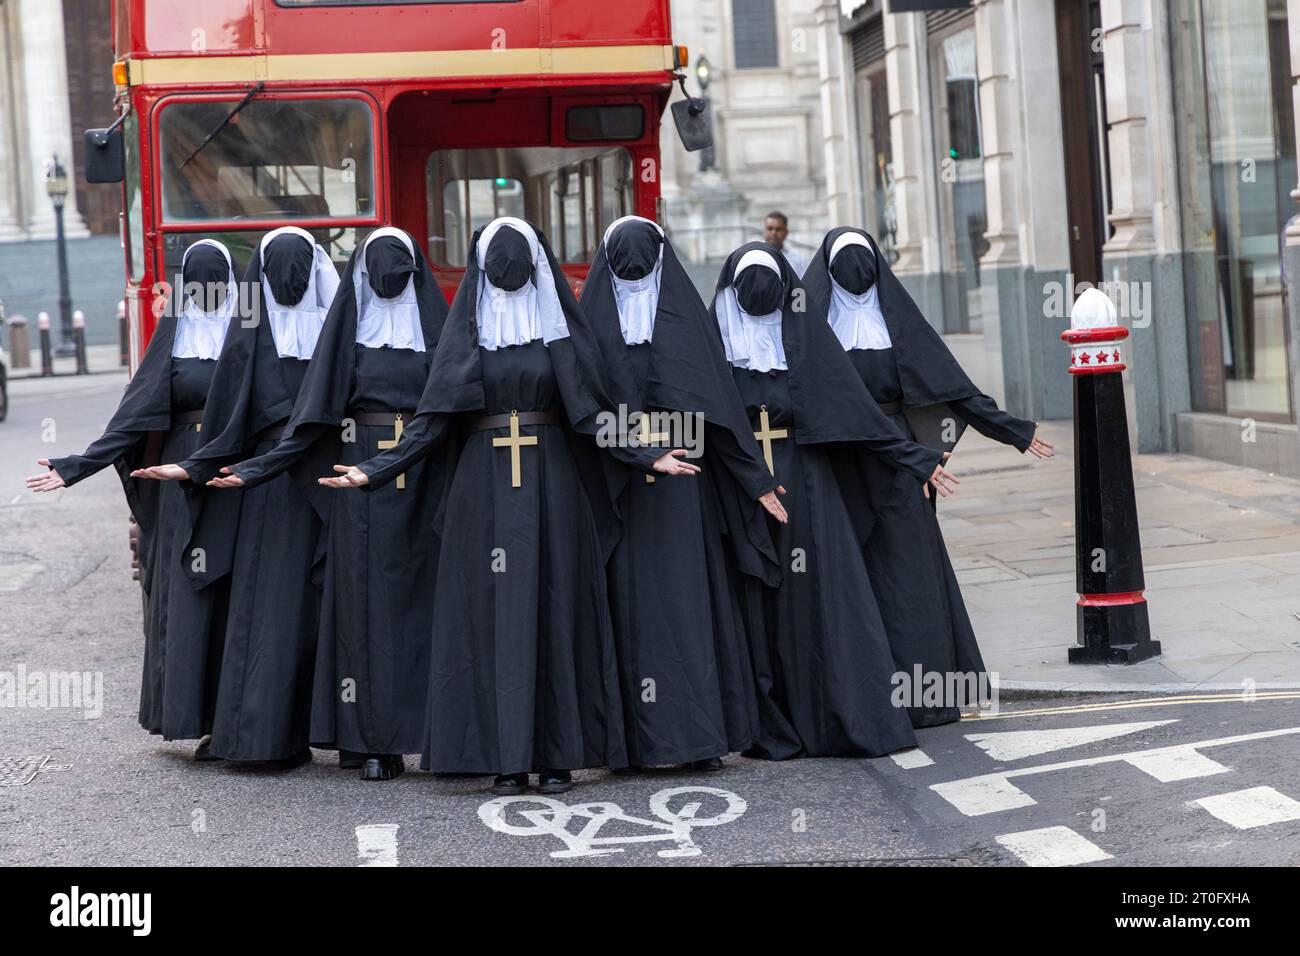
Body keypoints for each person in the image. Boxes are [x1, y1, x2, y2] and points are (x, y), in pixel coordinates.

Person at [321, 217, 697, 796]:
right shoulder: (466, 334)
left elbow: (592, 415)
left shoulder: (558, 334)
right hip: (482, 495)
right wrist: (373, 470)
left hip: (554, 491)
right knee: (489, 621)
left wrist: (649, 456)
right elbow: (430, 424)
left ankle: (556, 756)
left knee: (557, 614)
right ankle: (503, 756)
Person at [202, 227, 452, 781]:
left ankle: (438, 734)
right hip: (356, 480)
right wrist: (251, 470)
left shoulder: (439, 331)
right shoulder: (349, 334)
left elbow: (455, 408)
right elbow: (309, 423)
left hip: (424, 477)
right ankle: (370, 743)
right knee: (362, 612)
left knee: (427, 608)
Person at [710, 242, 959, 759]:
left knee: (816, 601)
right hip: (740, 489)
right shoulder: (714, 347)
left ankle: (830, 716)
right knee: (755, 604)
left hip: (806, 488)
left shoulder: (806, 344)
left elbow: (857, 418)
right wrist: (753, 477)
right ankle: (766, 721)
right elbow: (709, 424)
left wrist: (915, 457)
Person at [803, 227, 1054, 727]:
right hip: (839, 462)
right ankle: (863, 698)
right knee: (850, 580)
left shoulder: (897, 319)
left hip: (901, 465)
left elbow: (953, 388)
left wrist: (1013, 431)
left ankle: (924, 697)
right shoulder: (812, 326)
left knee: (909, 578)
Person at [580, 215, 788, 772]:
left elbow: (719, 411)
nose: (632, 281)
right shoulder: (590, 325)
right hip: (620, 491)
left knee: (689, 610)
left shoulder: (685, 323)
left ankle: (697, 737)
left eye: (641, 269)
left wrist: (757, 482)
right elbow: (582, 412)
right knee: (629, 615)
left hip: (685, 493)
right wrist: (641, 452)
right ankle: (632, 744)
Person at [131, 227, 340, 767]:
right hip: (237, 476)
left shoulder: (324, 330)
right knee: (232, 600)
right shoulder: (251, 334)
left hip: (297, 478)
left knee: (310, 602)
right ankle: (230, 724)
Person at [26, 240, 243, 756]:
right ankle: (189, 712)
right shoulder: (172, 342)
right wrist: (76, 466)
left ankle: (234, 720)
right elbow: (132, 420)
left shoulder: (248, 340)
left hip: (234, 480)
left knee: (232, 595)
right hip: (177, 487)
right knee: (185, 595)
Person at [763, 211, 807, 277]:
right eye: (770, 228)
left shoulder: (797, 258)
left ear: (786, 232)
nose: (773, 233)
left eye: (778, 229)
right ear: (764, 230)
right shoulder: (754, 255)